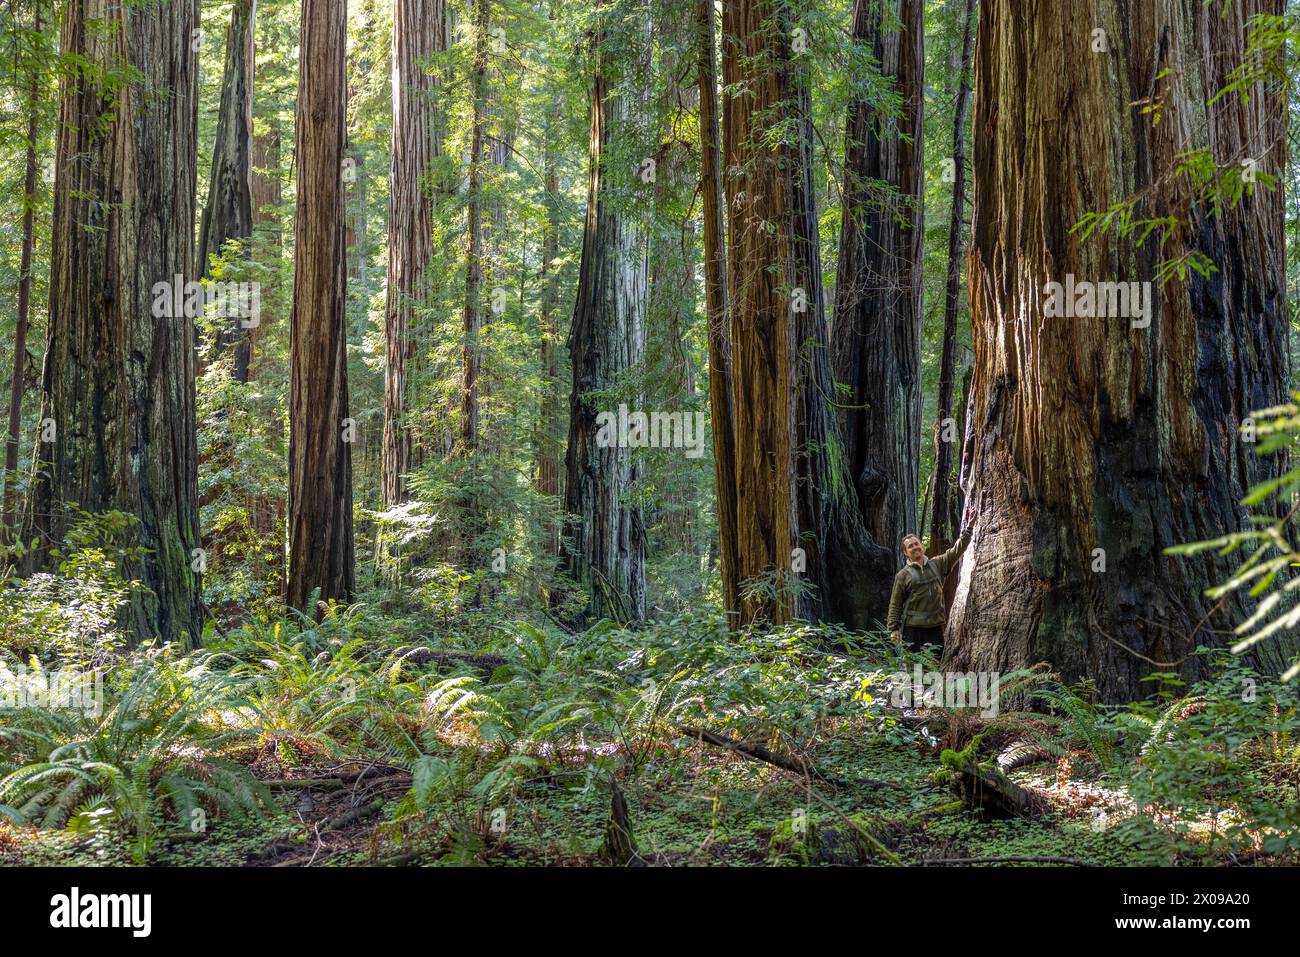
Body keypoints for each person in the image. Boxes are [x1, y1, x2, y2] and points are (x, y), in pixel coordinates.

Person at [887, 505, 974, 652]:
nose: (915, 547)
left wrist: (969, 529)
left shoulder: (937, 564)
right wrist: (893, 629)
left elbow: (956, 551)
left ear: (921, 545)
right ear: (906, 553)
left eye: (916, 544)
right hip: (912, 630)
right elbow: (895, 604)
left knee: (934, 668)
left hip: (935, 629)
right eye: (910, 547)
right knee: (915, 670)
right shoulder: (903, 575)